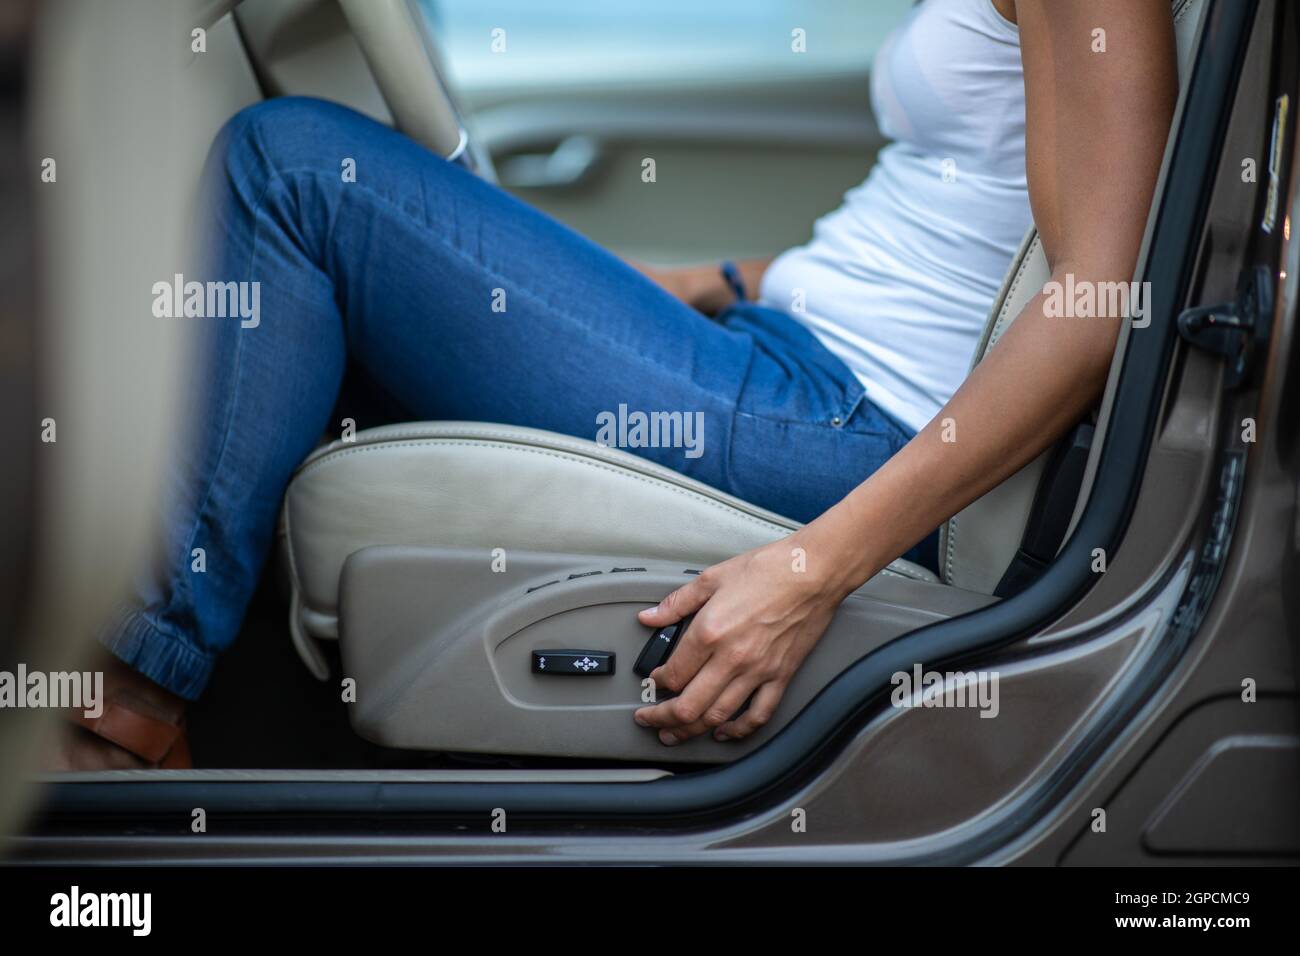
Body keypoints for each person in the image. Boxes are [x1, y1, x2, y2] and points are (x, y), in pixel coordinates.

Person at [56, 0, 1177, 767]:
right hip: (789, 350)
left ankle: (130, 705)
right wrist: (686, 284)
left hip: (852, 424)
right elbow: (937, 224)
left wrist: (809, 567)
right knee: (337, 317)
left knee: (297, 170)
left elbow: (1094, 309)